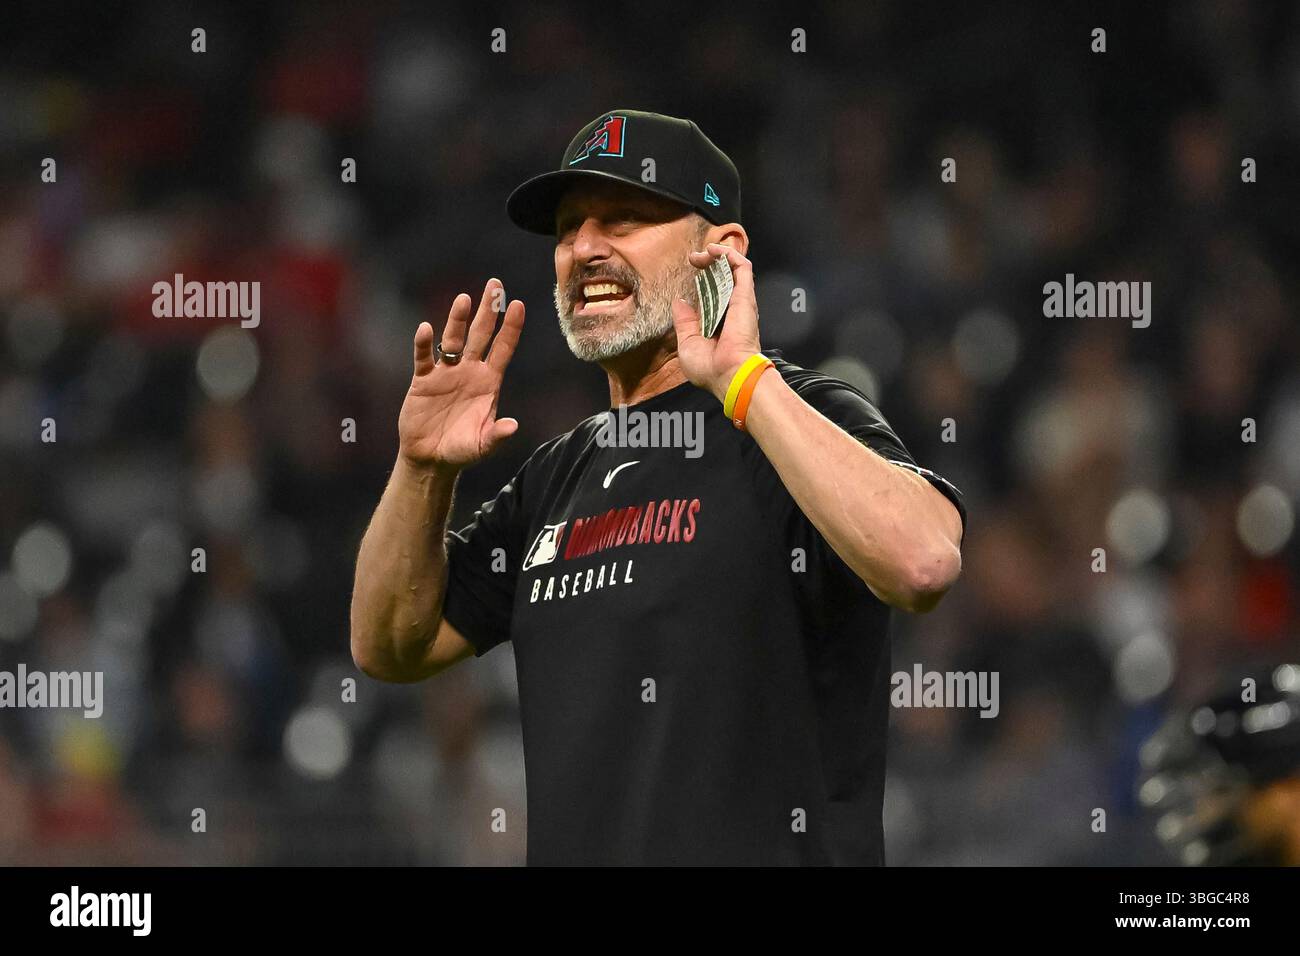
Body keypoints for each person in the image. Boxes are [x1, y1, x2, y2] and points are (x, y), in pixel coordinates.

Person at [350, 109, 967, 865]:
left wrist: (743, 378)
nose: (584, 249)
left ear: (721, 247)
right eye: (570, 227)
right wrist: (422, 471)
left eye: (625, 219)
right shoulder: (555, 478)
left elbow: (924, 562)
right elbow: (387, 646)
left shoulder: (799, 419)